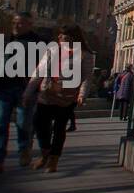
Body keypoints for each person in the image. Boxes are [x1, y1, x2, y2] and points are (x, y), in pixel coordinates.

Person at [24, 25, 94, 172]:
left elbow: (87, 77)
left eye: (65, 36)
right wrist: (28, 92)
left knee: (59, 128)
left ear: (74, 37)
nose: (61, 39)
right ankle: (45, 152)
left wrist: (82, 95)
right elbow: (39, 71)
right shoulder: (53, 50)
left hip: (68, 96)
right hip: (47, 92)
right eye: (60, 36)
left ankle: (53, 161)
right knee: (38, 123)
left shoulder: (85, 54)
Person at [0, 12, 39, 175]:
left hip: (25, 90)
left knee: (23, 123)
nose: (16, 25)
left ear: (29, 24)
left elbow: (43, 67)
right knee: (0, 125)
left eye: (20, 23)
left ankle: (23, 149)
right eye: (14, 22)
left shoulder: (37, 43)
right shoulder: (3, 41)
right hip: (2, 89)